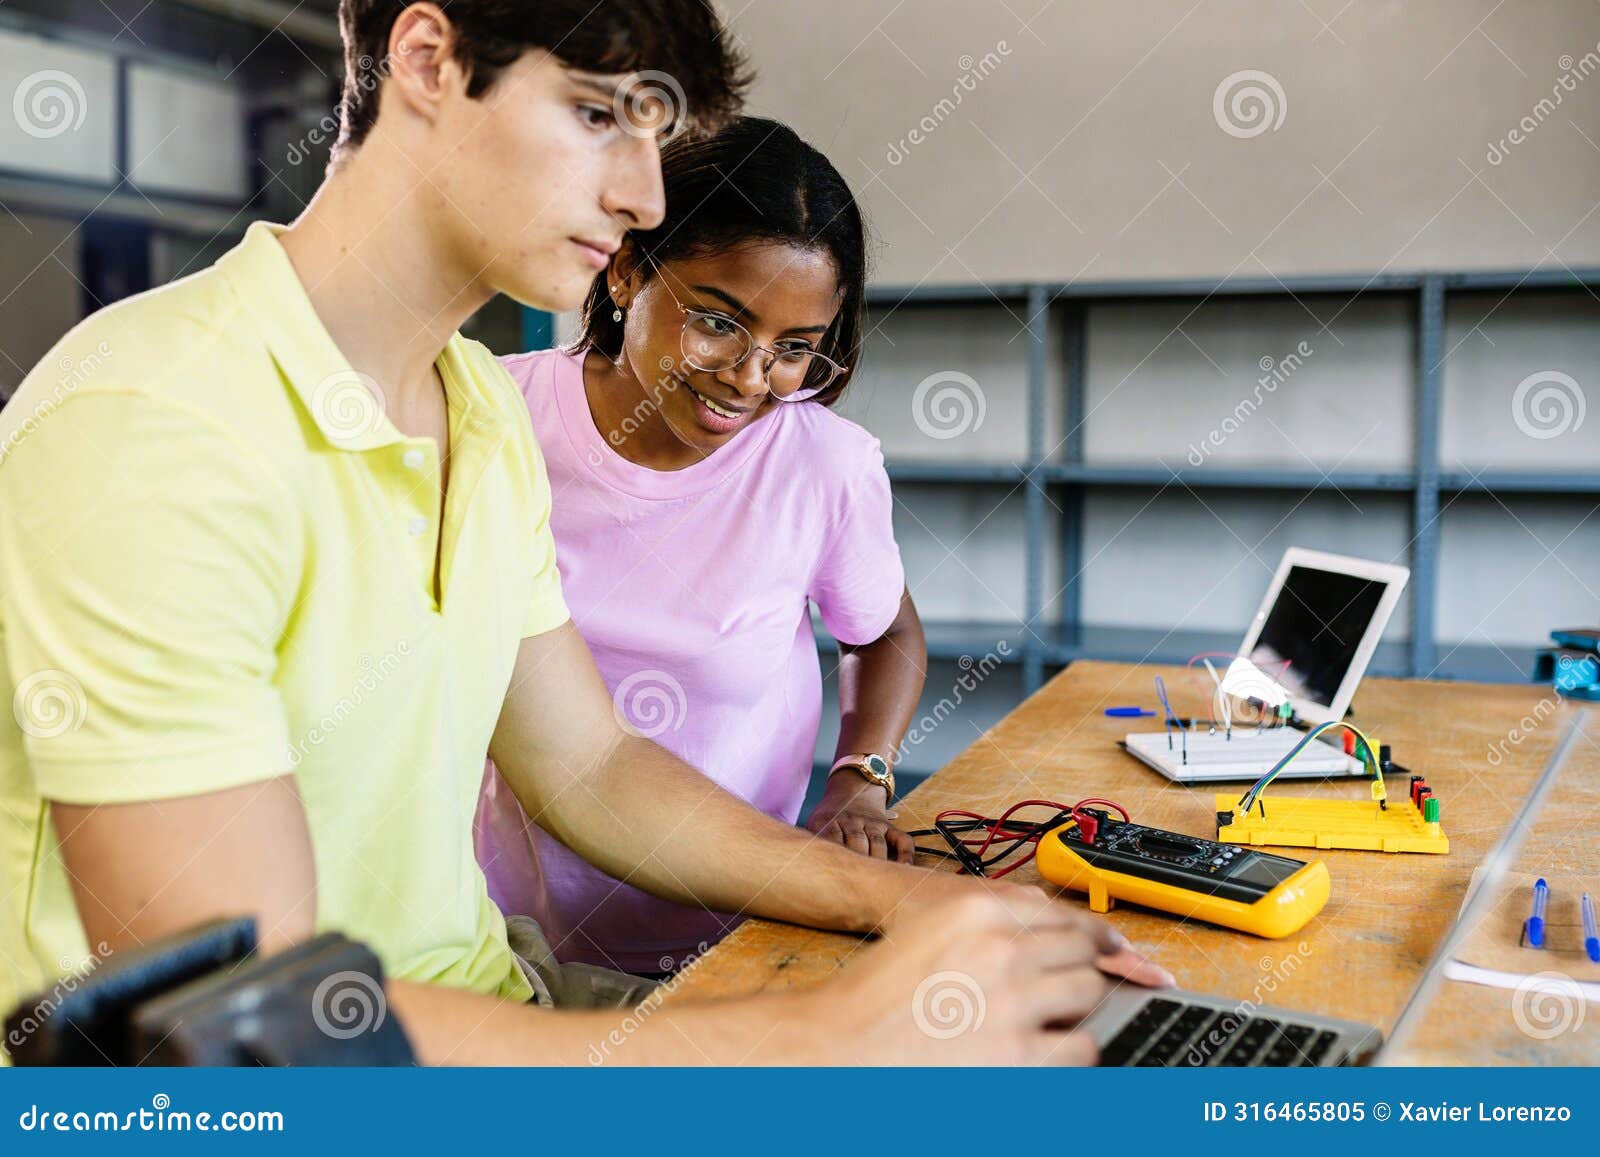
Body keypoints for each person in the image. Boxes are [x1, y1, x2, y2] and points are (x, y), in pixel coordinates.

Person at [0, 0, 1169, 1066]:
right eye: (601, 116)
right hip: (279, 1088)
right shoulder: (153, 421)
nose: (645, 199)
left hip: (487, 997)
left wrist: (906, 901)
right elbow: (243, 1032)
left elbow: (590, 765)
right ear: (427, 61)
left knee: (1084, 1063)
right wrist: (827, 1034)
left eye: (656, 141)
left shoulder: (473, 406)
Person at [477, 116, 929, 977]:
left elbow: (887, 633)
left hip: (739, 933)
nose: (750, 379)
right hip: (510, 934)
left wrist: (860, 775)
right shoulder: (496, 417)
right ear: (625, 269)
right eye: (719, 323)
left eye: (795, 350)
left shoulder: (823, 466)